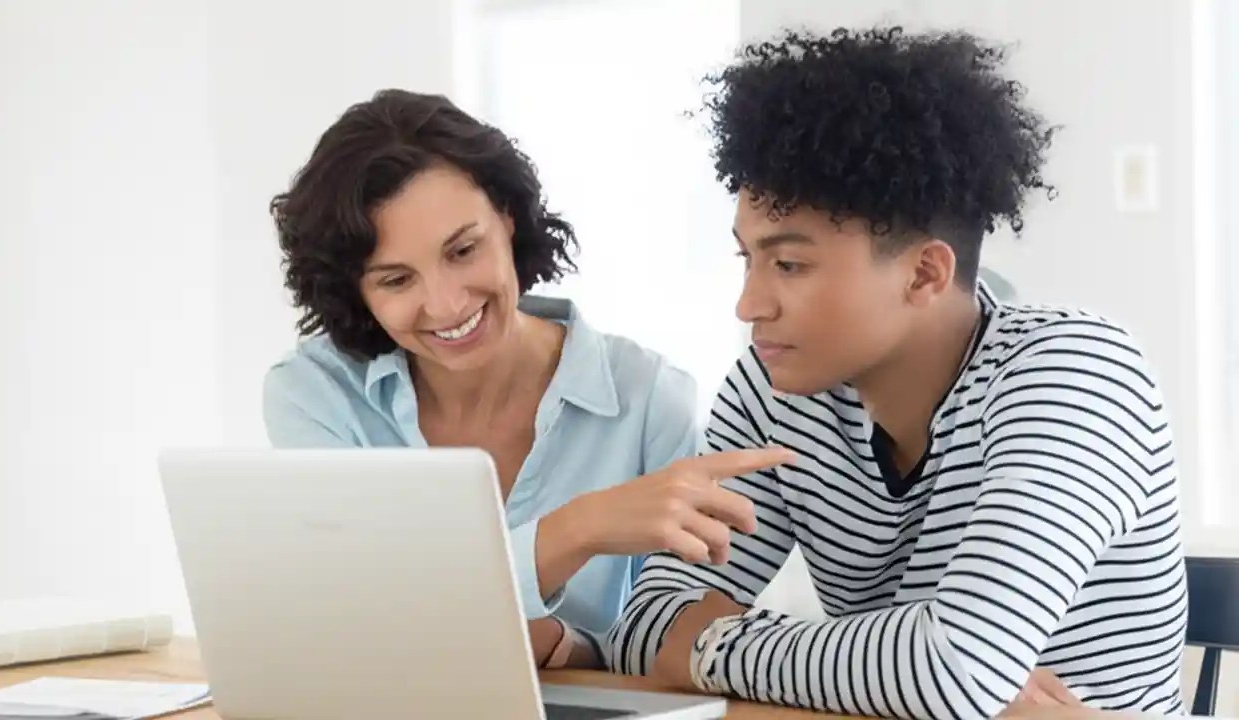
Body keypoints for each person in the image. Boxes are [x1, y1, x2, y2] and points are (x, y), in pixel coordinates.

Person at [607, 26, 1187, 718]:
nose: (749, 303)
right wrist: (919, 672)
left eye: (788, 264)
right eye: (748, 260)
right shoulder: (772, 390)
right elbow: (647, 630)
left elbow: (955, 671)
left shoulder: (1079, 375)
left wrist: (710, 646)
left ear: (923, 273)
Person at [262, 89, 791, 669]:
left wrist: (568, 646)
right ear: (355, 291)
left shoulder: (648, 398)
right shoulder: (316, 395)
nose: (444, 304)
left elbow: (670, 644)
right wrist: (579, 528)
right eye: (395, 280)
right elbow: (367, 614)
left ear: (508, 220)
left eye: (463, 250)